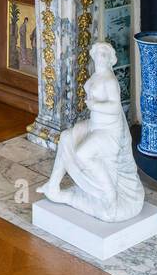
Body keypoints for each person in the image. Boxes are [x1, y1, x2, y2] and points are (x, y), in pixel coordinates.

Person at [37, 42, 145, 222]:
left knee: (82, 153)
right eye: (98, 53)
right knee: (65, 137)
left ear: (111, 59)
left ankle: (109, 193)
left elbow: (115, 107)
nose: (100, 57)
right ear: (93, 56)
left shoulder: (109, 80)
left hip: (108, 130)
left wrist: (95, 105)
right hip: (95, 124)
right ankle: (53, 185)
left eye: (104, 54)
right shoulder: (96, 76)